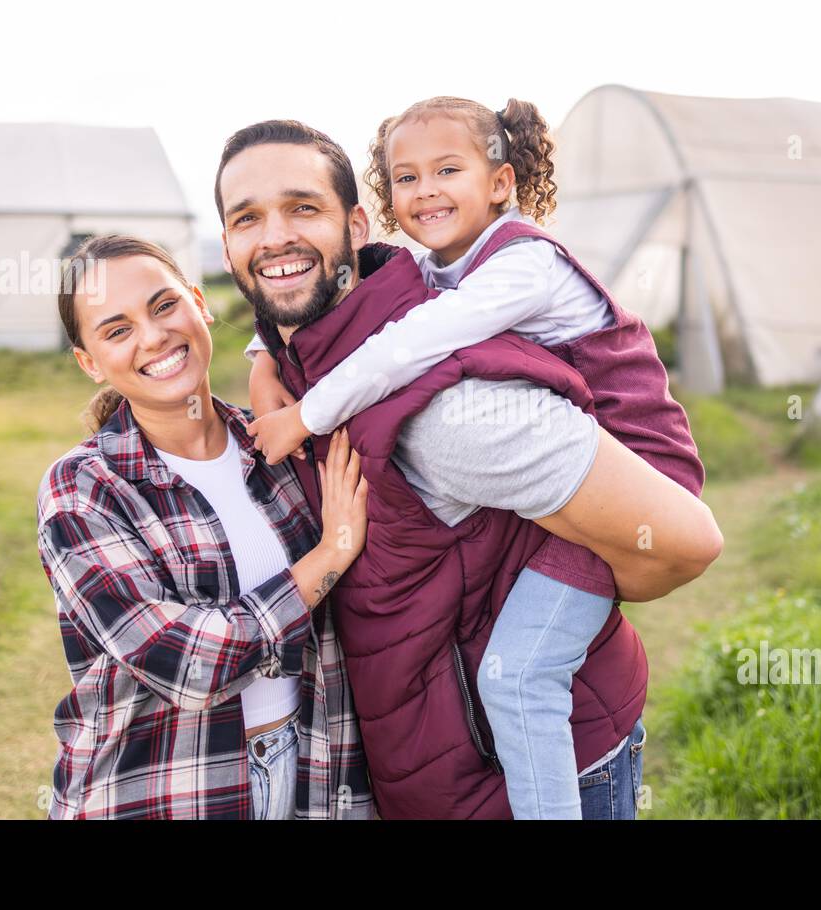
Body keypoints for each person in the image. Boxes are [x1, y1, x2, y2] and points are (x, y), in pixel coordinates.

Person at [217, 118, 722, 818]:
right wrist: (265, 356)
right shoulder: (347, 332)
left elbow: (684, 540)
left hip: (532, 781)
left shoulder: (451, 414)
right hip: (445, 775)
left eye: (303, 208)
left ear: (358, 229)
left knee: (518, 677)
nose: (274, 237)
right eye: (249, 218)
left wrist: (620, 566)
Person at [36, 234, 372, 819]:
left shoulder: (278, 447)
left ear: (200, 303)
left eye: (165, 306)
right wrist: (329, 556)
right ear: (90, 364)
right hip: (164, 795)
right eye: (116, 331)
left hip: (312, 775)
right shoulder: (84, 488)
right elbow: (188, 662)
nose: (153, 336)